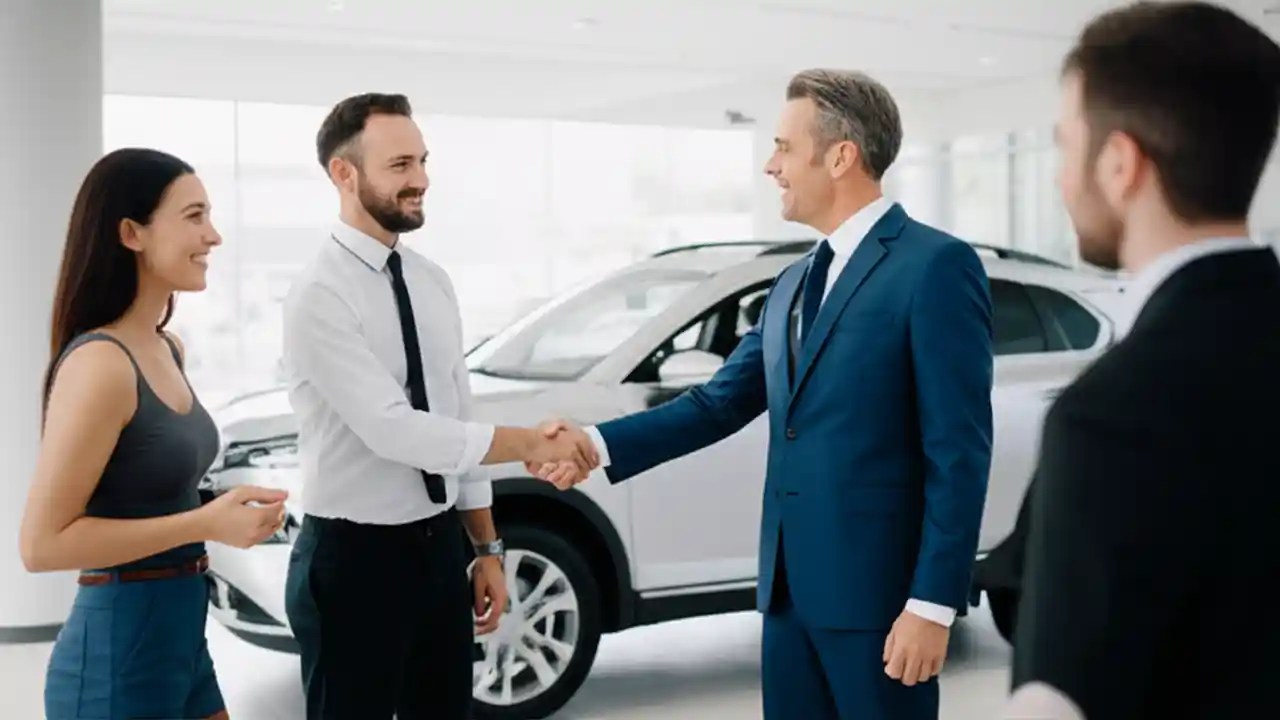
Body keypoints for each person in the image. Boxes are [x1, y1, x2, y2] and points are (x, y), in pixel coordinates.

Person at [538, 69, 994, 720]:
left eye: (783, 146)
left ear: (840, 156)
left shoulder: (935, 267)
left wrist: (931, 604)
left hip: (882, 603)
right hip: (786, 596)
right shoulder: (790, 284)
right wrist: (595, 443)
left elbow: (960, 452)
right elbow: (717, 402)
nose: (769, 165)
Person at [992, 4, 1280, 719]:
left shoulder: (1115, 414)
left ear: (1120, 164)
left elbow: (1062, 700)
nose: (1061, 178)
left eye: (1065, 147)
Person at [281, 92, 598, 720]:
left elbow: (457, 417)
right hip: (352, 561)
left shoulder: (431, 281)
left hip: (435, 552)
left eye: (422, 161)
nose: (421, 179)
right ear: (344, 174)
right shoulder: (318, 293)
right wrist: (531, 443)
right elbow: (395, 432)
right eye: (400, 165)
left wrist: (485, 549)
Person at [19, 148, 289, 720]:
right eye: (193, 216)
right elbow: (42, 546)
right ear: (131, 233)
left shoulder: (167, 349)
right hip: (116, 662)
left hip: (182, 643)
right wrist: (205, 523)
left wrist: (224, 508)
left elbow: (145, 494)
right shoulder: (101, 364)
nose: (213, 236)